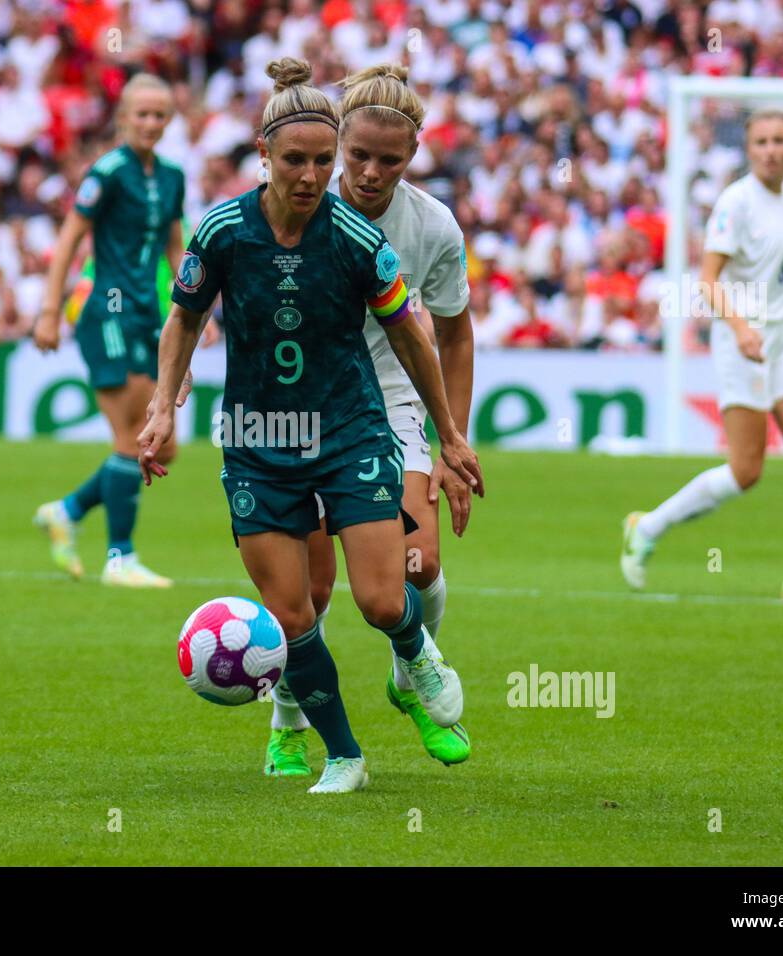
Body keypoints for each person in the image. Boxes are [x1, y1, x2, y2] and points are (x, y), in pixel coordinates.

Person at [139, 58, 484, 794]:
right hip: (265, 434)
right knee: (304, 604)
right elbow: (184, 316)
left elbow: (429, 336)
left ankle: (411, 657)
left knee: (399, 583)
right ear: (267, 153)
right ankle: (317, 737)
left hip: (368, 408)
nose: (347, 172)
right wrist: (165, 402)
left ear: (412, 157)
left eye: (347, 161)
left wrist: (452, 437)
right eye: (342, 156)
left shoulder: (399, 232)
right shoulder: (229, 228)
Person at [261, 64, 479, 777]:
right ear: (336, 139)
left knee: (416, 569)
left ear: (414, 155)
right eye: (358, 154)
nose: (371, 171)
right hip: (300, 409)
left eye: (393, 159)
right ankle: (289, 724)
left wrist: (455, 440)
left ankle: (409, 674)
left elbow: (453, 332)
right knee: (314, 591)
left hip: (390, 401)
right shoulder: (291, 206)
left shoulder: (433, 227)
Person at [621, 110, 783, 605]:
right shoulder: (736, 202)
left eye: (780, 140)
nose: (771, 149)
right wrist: (742, 327)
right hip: (741, 339)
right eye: (762, 141)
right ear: (750, 149)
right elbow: (707, 281)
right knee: (746, 470)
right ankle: (648, 525)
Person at [32, 74, 185, 588]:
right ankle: (120, 559)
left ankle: (68, 511)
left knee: (164, 447)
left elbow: (174, 249)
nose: (150, 123)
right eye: (141, 113)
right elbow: (71, 236)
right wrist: (50, 310)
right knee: (135, 433)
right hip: (107, 312)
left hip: (147, 314)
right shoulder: (108, 172)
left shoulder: (172, 177)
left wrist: (192, 311)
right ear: (123, 118)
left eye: (159, 114)